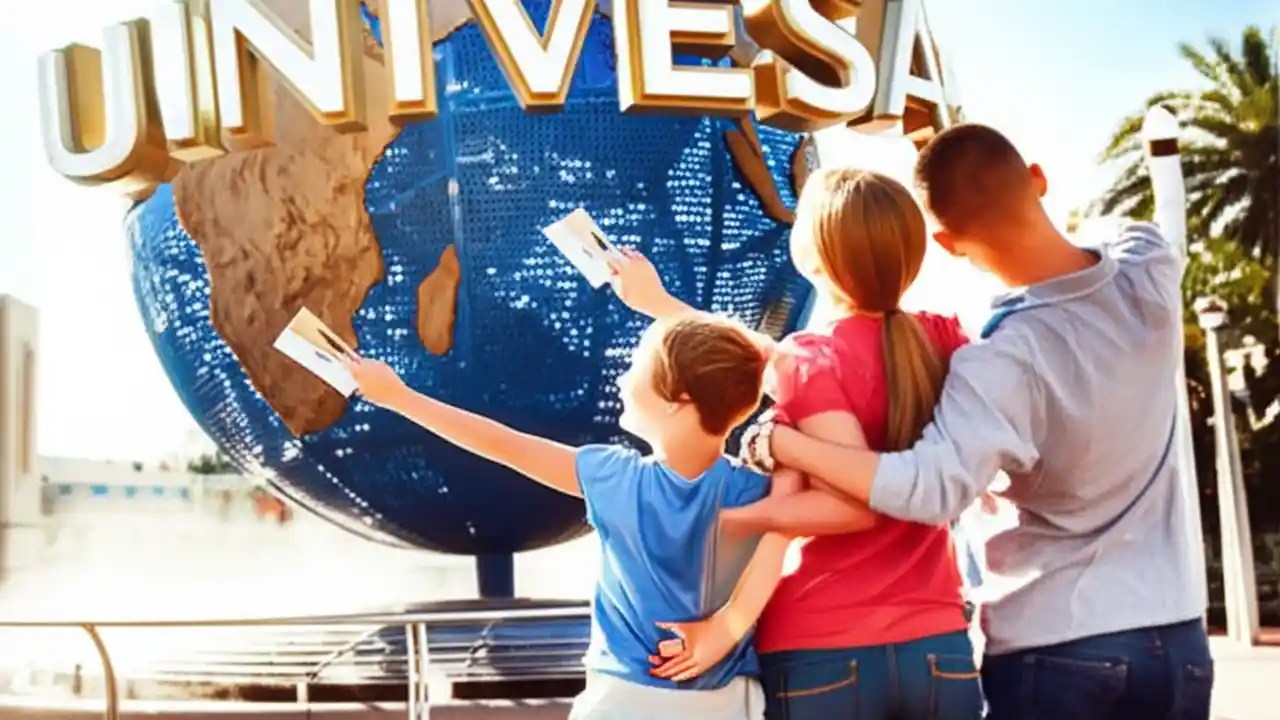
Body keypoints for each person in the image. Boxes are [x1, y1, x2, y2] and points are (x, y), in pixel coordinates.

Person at [737, 124, 1213, 719]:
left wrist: (782, 444)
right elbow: (1157, 229)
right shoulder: (1148, 271)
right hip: (1180, 642)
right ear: (1038, 178)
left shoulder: (1001, 360)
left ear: (947, 241)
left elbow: (929, 489)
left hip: (1056, 647)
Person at [610, 169, 983, 719]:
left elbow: (761, 363)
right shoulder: (945, 340)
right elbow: (754, 355)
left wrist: (734, 517)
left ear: (812, 255)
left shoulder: (812, 357)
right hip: (940, 647)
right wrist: (660, 302)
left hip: (823, 651)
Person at [345, 314, 780, 719]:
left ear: (678, 400)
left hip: (623, 701)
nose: (623, 377)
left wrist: (400, 398)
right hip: (729, 704)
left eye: (636, 367)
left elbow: (503, 444)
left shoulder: (614, 480)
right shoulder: (759, 487)